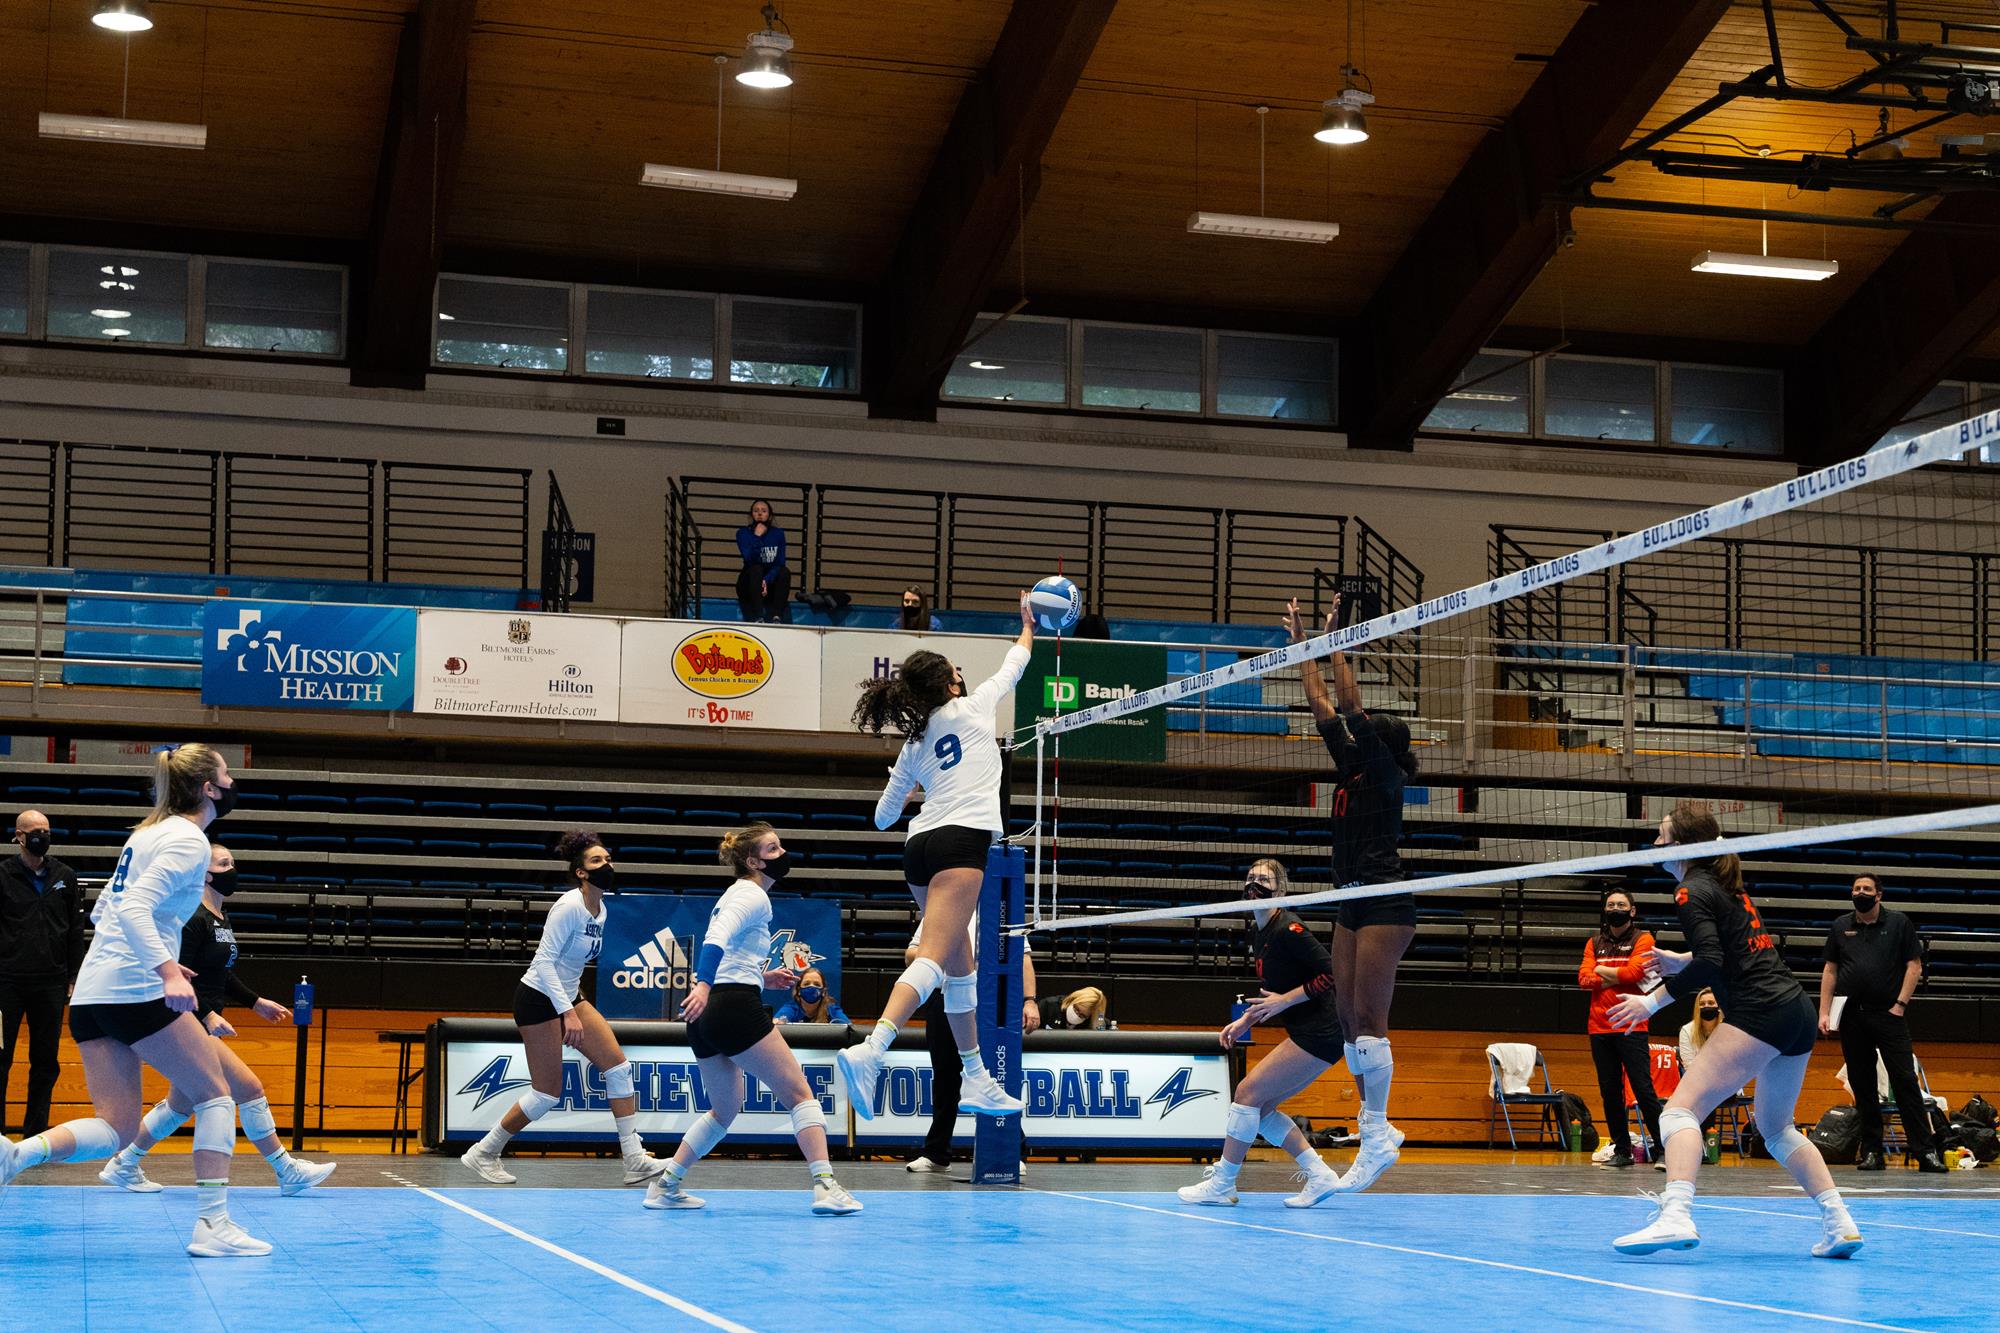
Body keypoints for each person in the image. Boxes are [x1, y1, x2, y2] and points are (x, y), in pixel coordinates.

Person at [0, 745, 269, 1257]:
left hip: (93, 990)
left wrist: (162, 953)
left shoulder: (144, 834)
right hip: (135, 987)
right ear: (209, 789)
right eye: (227, 775)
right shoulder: (188, 839)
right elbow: (136, 908)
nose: (233, 782)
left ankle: (15, 1155)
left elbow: (106, 910)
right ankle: (213, 1227)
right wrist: (165, 969)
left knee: (118, 1128)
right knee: (215, 1095)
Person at [1605, 803, 1861, 1259]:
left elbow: (1711, 962)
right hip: (1794, 1011)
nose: (1656, 843)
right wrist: (1679, 961)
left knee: (1678, 1112)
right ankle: (1839, 1221)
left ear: (1684, 845)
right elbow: (1730, 954)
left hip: (1760, 1010)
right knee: (1777, 1130)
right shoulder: (1725, 886)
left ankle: (1676, 1215)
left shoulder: (1689, 891)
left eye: (1663, 835)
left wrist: (1651, 1000)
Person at [837, 590, 1036, 1122]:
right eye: (956, 670)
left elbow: (881, 818)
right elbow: (1016, 664)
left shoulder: (913, 742)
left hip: (919, 847)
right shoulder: (972, 707)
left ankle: (976, 1076)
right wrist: (1028, 624)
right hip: (961, 842)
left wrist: (915, 787)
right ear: (950, 682)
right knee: (933, 956)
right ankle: (871, 1049)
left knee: (959, 965)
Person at [643, 824, 862, 1215]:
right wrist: (705, 985)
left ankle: (666, 1186)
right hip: (729, 1005)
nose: (783, 853)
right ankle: (826, 1187)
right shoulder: (752, 896)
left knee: (724, 1110)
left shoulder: (738, 894)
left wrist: (762, 977)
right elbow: (715, 939)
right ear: (753, 861)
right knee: (800, 1094)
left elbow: (730, 956)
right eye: (773, 849)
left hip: (710, 1015)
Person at [98, 843, 337, 1195]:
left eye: (233, 862)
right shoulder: (192, 919)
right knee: (250, 1088)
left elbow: (222, 974)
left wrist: (255, 1002)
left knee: (180, 1106)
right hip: (186, 1021)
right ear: (205, 873)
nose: (233, 868)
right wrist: (206, 1015)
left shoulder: (220, 918)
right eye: (224, 863)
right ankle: (286, 1170)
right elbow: (179, 978)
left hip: (205, 1021)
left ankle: (124, 1163)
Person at [1286, 593, 1413, 1192]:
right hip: (1351, 895)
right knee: (1343, 1017)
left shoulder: (1385, 772)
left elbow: (1351, 705)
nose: (1353, 734)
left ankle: (1376, 1130)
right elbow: (1322, 705)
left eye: (1365, 734)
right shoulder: (1351, 766)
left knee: (1369, 1016)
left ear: (1382, 743)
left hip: (1387, 898)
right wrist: (1306, 644)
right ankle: (1375, 1128)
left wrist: (1340, 644)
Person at [463, 831, 667, 1186]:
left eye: (608, 858)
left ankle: (633, 1158)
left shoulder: (600, 909)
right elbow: (544, 963)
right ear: (581, 873)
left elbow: (570, 967)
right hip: (538, 998)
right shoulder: (569, 906)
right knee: (546, 1094)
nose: (608, 865)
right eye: (597, 861)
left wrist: (575, 1002)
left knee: (618, 1068)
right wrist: (567, 1013)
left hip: (568, 996)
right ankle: (483, 1152)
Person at [1177, 859, 1346, 1209]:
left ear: (1281, 890)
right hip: (1313, 1031)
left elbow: (1333, 972)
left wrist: (1286, 1000)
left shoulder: (1289, 928)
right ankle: (1320, 1175)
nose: (1255, 884)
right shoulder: (1262, 931)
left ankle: (1223, 1184)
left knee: (1246, 1093)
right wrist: (1245, 1022)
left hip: (1322, 1030)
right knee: (1262, 1108)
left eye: (1264, 880)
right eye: (1251, 878)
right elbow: (1272, 998)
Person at [1819, 873, 1945, 1172]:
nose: (1860, 893)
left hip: (1889, 1015)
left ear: (1879, 895)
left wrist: (1900, 1004)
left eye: (1866, 889)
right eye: (1856, 888)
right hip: (1851, 1015)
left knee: (1904, 1081)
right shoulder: (1840, 926)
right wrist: (1823, 1013)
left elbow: (1914, 966)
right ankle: (1873, 1151)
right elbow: (1830, 970)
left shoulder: (1898, 923)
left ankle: (1924, 1152)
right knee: (1863, 1086)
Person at [905, 914, 1039, 1174]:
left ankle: (1012, 1151)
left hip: (989, 1002)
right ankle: (936, 1154)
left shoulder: (1003, 909)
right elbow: (910, 955)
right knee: (945, 1076)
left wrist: (1030, 1000)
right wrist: (940, 954)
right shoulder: (940, 909)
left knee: (997, 1076)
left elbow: (1022, 958)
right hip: (944, 997)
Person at [0, 810, 85, 1138]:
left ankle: (35, 1134)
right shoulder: (3, 874)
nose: (42, 836)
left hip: (50, 983)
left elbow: (75, 929)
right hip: (6, 982)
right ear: (19, 836)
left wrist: (74, 975)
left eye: (46, 830)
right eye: (35, 831)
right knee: (1, 1060)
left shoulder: (65, 875)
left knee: (45, 1062)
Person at [1578, 888, 1666, 1169]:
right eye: (1610, 904)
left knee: (1643, 1089)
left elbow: (1636, 974)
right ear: (1605, 910)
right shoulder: (1594, 942)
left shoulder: (1643, 939)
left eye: (1621, 904)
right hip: (1600, 1028)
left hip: (1632, 1025)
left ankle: (1663, 1149)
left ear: (1632, 910)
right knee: (1610, 1091)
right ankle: (1622, 1150)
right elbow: (1583, 978)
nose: (1615, 908)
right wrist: (1617, 975)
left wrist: (1602, 971)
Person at [735, 499, 791, 623]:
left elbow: (780, 563)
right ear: (751, 515)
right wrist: (757, 536)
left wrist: (766, 579)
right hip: (749, 583)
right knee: (756, 568)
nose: (760, 514)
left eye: (764, 511)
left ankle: (777, 616)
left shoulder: (778, 534)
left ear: (769, 515)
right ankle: (758, 616)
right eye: (756, 511)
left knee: (784, 572)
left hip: (768, 584)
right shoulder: (743, 533)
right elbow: (750, 559)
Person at [773, 967, 850, 1025]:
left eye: (817, 984)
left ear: (823, 991)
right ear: (799, 990)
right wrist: (779, 1022)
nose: (811, 987)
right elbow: (777, 1024)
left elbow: (849, 1030)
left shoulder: (832, 1010)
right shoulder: (790, 1008)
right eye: (806, 984)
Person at [1038, 986, 1108, 1031]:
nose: (1076, 1015)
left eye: (1082, 1016)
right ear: (1072, 999)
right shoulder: (1048, 1006)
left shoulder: (1095, 1020)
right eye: (1076, 1009)